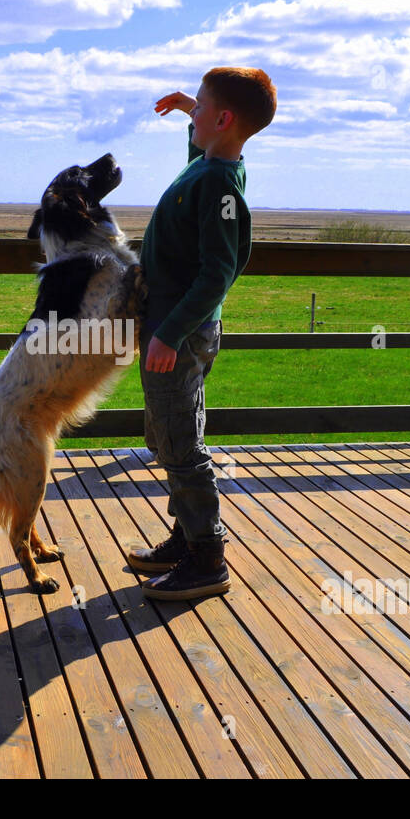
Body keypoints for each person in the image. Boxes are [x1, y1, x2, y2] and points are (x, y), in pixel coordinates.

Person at [129, 66, 277, 600]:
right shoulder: (213, 166)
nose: (194, 113)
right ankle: (188, 535)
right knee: (168, 434)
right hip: (176, 329)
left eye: (202, 105)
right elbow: (202, 155)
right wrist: (192, 112)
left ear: (224, 118)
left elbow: (218, 272)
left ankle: (207, 558)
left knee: (180, 444)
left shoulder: (219, 182)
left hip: (180, 333)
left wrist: (169, 334)